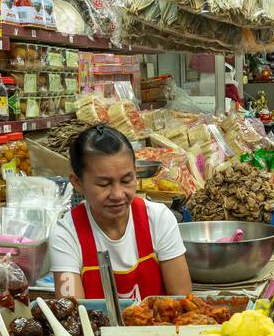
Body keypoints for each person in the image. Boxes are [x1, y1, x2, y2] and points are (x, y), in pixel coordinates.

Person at [50, 124, 193, 301]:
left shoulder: (158, 219)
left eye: (126, 180)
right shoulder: (67, 236)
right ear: (77, 183)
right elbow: (71, 313)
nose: (118, 194)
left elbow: (184, 302)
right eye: (104, 184)